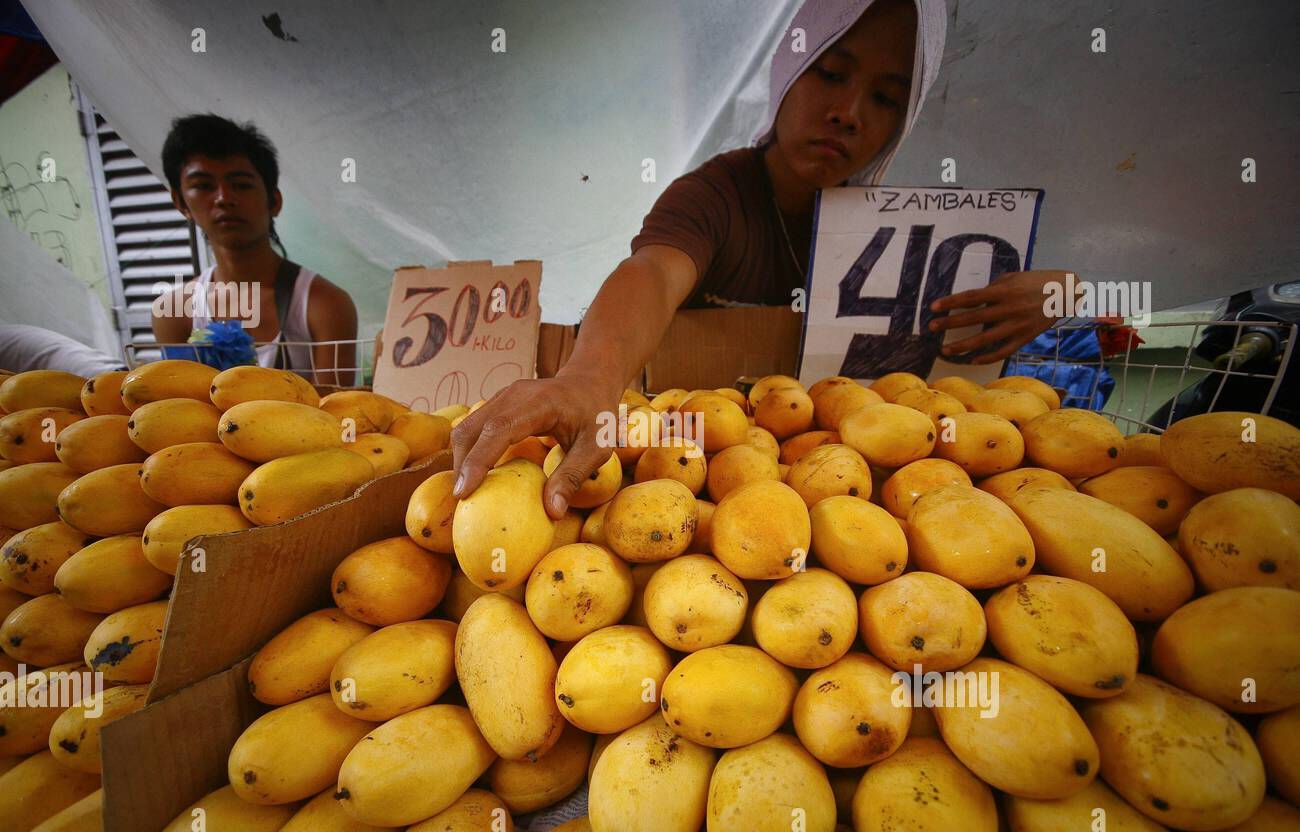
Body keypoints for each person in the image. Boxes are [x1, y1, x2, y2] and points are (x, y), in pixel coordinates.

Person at [453, 0, 1080, 519]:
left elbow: (1029, 301)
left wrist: (1064, 292)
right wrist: (589, 376)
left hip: (880, 486)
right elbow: (651, 272)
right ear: (790, 69)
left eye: (886, 97)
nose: (849, 113)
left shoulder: (907, 230)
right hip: (698, 475)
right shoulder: (717, 195)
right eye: (831, 74)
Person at [150, 114, 358, 389]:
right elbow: (175, 410)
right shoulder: (174, 313)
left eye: (241, 184)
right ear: (180, 202)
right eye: (203, 186)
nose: (224, 198)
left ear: (274, 200)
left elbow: (331, 416)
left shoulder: (325, 305)